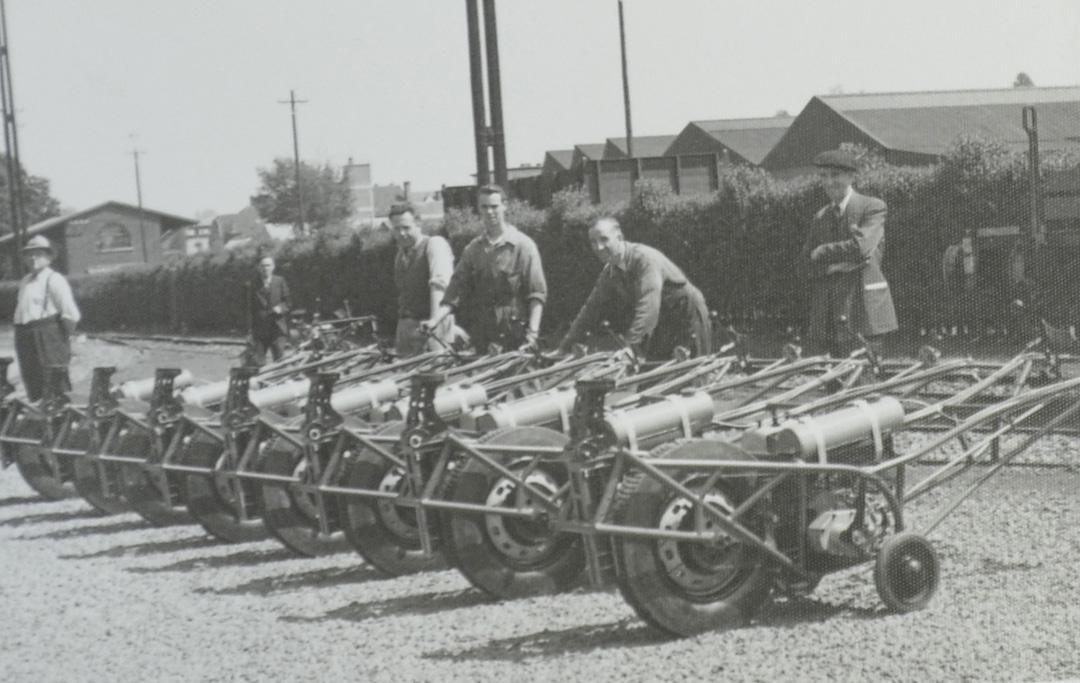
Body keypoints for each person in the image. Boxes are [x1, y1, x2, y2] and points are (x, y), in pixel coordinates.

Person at [558, 217, 713, 359]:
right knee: (650, 380)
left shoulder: (644, 260)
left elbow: (648, 305)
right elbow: (591, 309)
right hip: (661, 321)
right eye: (593, 241)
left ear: (619, 238)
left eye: (604, 239)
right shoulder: (610, 271)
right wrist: (565, 346)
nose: (598, 247)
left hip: (687, 316)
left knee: (693, 378)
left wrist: (631, 345)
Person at [798, 149, 898, 357]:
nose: (828, 182)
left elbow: (860, 248)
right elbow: (804, 264)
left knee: (864, 383)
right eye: (823, 176)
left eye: (835, 175)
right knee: (832, 384)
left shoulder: (872, 208)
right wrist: (832, 267)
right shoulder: (821, 216)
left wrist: (822, 251)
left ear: (851, 176)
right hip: (828, 318)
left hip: (864, 312)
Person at [424, 184, 547, 352]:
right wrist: (434, 321)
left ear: (505, 206)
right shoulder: (473, 250)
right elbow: (454, 292)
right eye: (485, 207)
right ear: (479, 210)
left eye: (494, 206)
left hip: (516, 336)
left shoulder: (523, 246)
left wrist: (532, 333)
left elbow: (537, 295)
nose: (490, 212)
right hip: (483, 335)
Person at [12, 235, 82, 401]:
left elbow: (71, 314)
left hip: (48, 335)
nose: (33, 258)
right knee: (32, 378)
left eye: (38, 254)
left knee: (54, 382)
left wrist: (59, 339)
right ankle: (41, 420)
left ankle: (61, 421)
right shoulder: (25, 281)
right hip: (25, 334)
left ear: (49, 257)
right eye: (29, 254)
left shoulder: (54, 279)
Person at [390, 203, 455, 356]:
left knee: (435, 374)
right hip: (408, 328)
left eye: (406, 227)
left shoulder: (434, 245)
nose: (402, 233)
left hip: (431, 326)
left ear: (418, 223)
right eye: (397, 229)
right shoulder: (400, 256)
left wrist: (434, 324)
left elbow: (439, 286)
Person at [247, 255, 291, 365]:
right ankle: (258, 381)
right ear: (258, 267)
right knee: (257, 362)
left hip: (277, 328)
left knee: (280, 360)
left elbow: (288, 302)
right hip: (260, 330)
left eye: (268, 265)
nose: (265, 268)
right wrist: (249, 331)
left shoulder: (280, 281)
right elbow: (248, 309)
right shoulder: (252, 284)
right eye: (263, 266)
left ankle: (279, 381)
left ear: (273, 267)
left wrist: (280, 308)